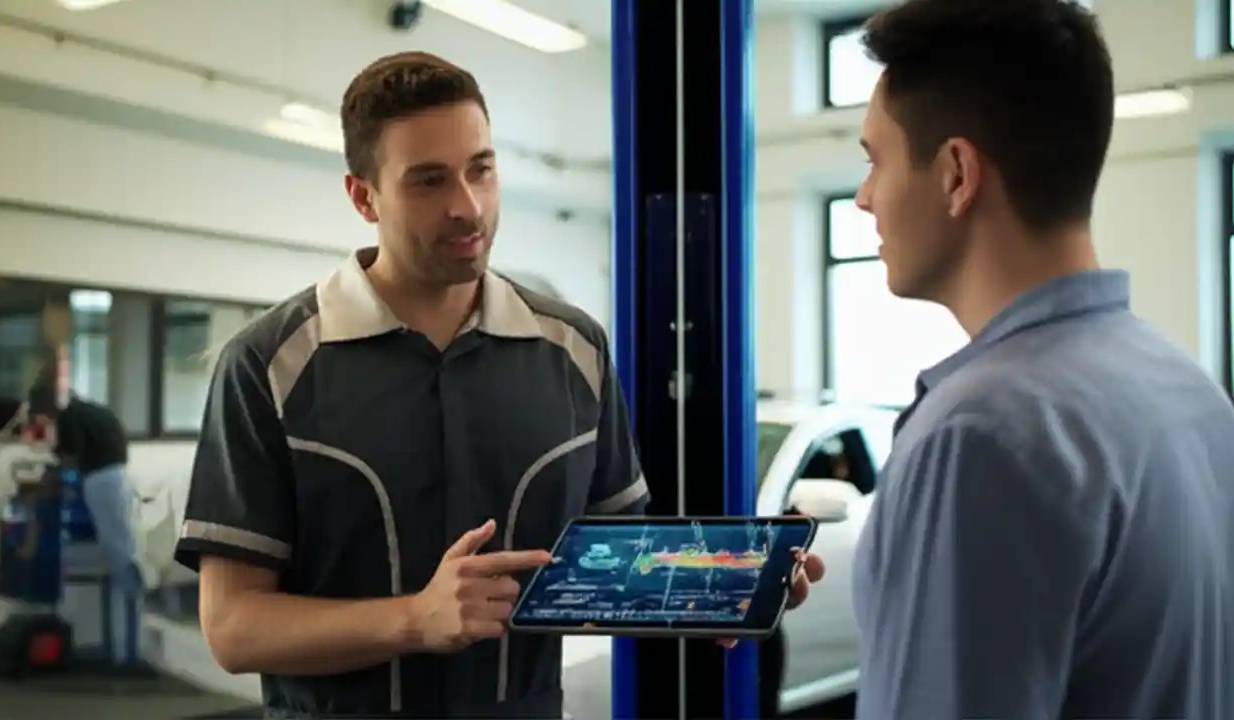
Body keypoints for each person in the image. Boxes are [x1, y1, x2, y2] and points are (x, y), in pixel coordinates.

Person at [173, 51, 815, 718]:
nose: (467, 206)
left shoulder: (574, 350)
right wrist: (414, 619)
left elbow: (617, 574)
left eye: (481, 169)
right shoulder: (270, 364)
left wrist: (729, 586)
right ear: (363, 196)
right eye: (428, 182)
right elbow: (233, 626)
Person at [848, 1, 1233, 718]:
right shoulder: (1192, 394)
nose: (866, 198)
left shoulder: (979, 437)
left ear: (958, 174)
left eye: (875, 161)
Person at [29, 382, 142, 668]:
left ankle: (127, 651)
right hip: (117, 476)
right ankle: (126, 642)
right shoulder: (93, 410)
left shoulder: (69, 417)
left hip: (101, 481)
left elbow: (72, 458)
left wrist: (50, 475)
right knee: (121, 549)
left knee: (119, 557)